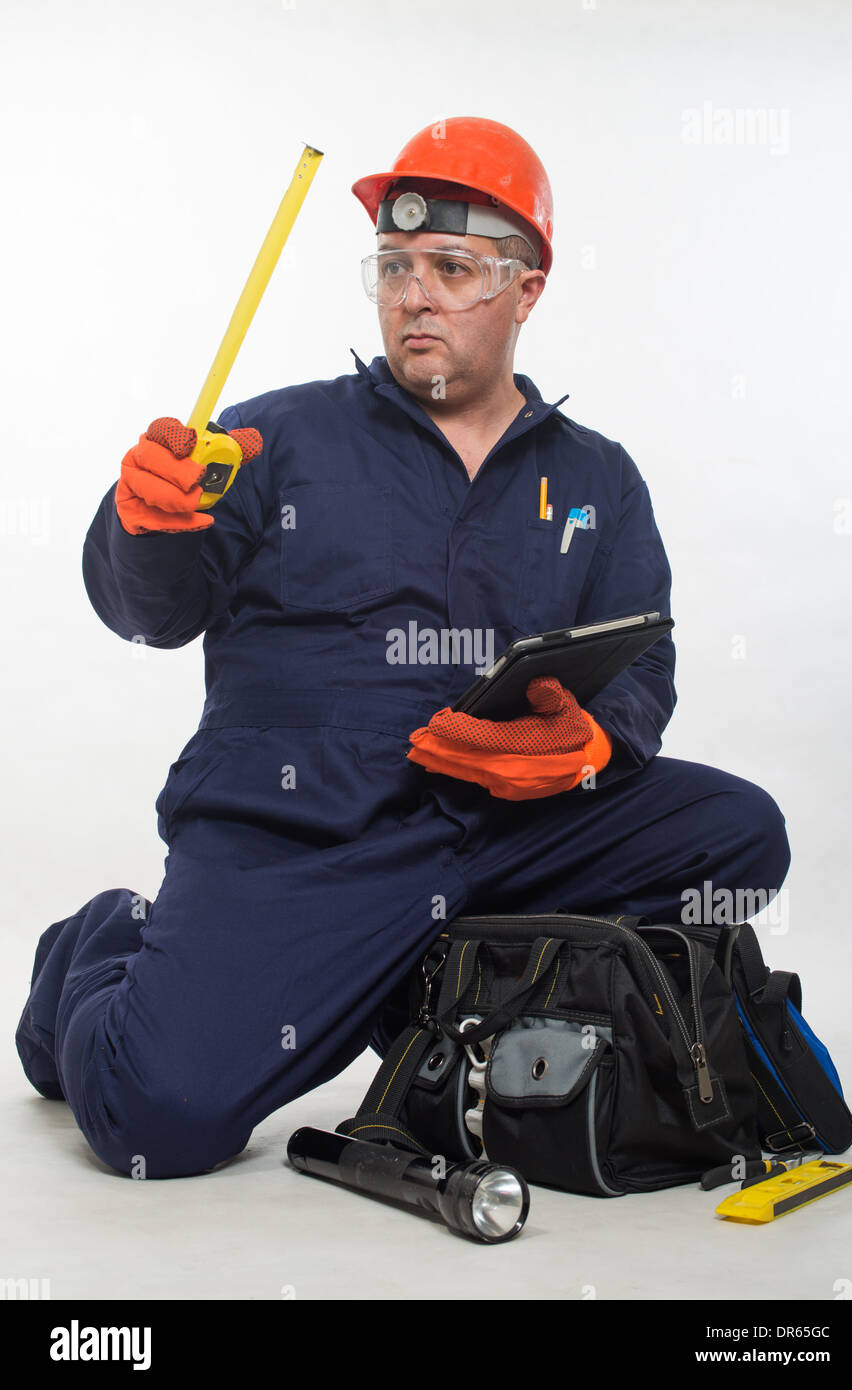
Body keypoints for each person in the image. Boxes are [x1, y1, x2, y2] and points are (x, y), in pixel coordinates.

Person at [15, 117, 790, 1179]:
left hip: (504, 832)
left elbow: (641, 668)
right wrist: (140, 526)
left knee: (736, 833)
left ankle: (441, 984)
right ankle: (100, 945)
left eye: (451, 268)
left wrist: (589, 749)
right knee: (159, 1117)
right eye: (392, 266)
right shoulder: (271, 438)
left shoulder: (599, 479)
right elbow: (152, 611)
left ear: (527, 289)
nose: (412, 293)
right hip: (304, 835)